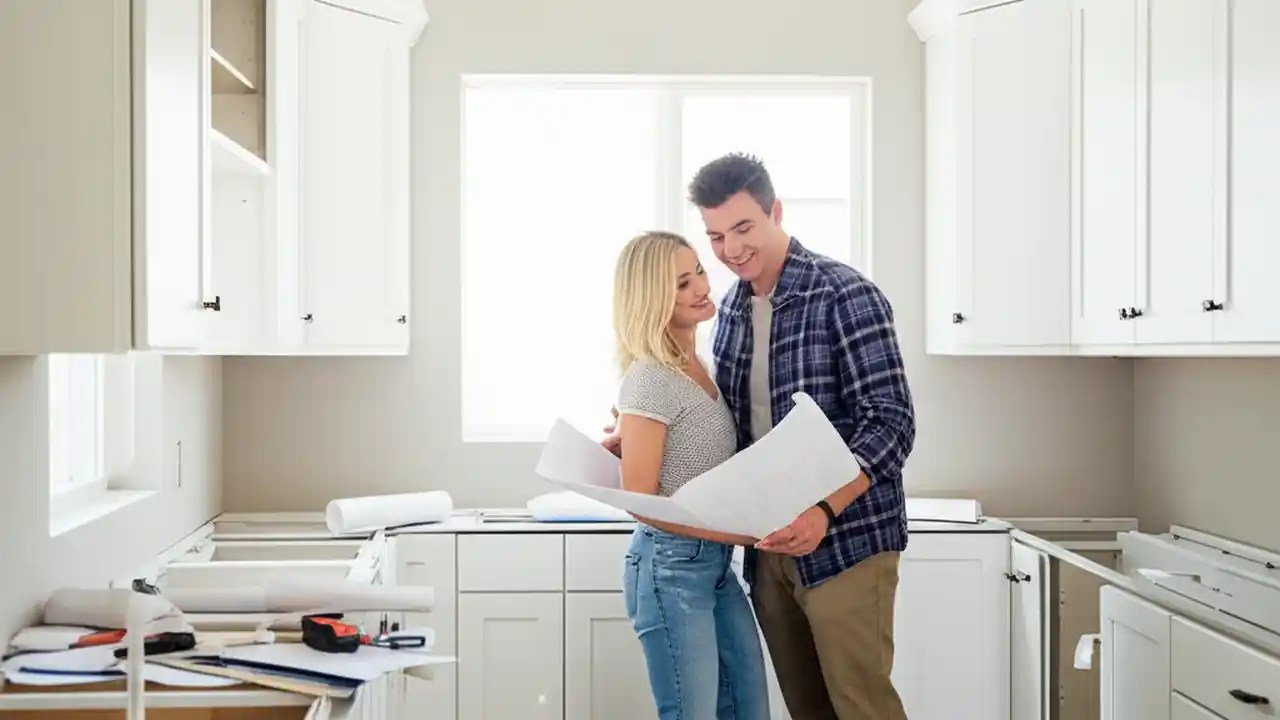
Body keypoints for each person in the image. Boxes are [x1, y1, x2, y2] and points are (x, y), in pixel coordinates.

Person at [607, 154, 916, 720]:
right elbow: (722, 423)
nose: (731, 251)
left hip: (845, 541)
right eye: (717, 236)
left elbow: (892, 422)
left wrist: (823, 510)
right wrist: (638, 429)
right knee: (805, 708)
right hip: (762, 549)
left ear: (775, 211)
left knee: (860, 706)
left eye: (744, 228)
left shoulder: (845, 295)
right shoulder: (728, 313)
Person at [610, 230, 771, 720]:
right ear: (653, 297)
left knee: (749, 710)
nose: (702, 285)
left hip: (717, 566)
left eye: (698, 271)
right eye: (682, 283)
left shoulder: (700, 364)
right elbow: (641, 501)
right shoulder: (650, 376)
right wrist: (737, 533)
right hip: (670, 569)